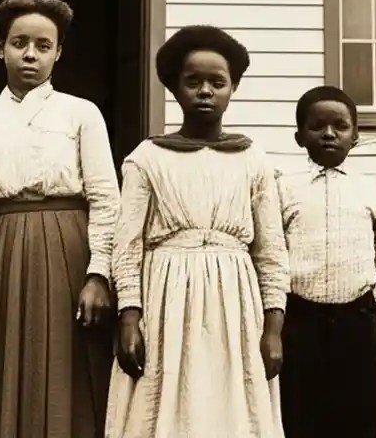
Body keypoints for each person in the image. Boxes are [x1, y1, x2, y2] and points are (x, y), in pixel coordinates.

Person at [0, 0, 119, 438]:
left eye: (43, 45)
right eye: (19, 43)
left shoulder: (81, 113)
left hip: (67, 249)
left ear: (58, 52)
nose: (30, 54)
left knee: (64, 363)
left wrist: (98, 273)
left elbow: (104, 197)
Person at [106, 25, 288, 438]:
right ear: (173, 87)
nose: (205, 91)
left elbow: (271, 250)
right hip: (167, 296)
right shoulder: (147, 158)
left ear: (233, 88)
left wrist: (273, 327)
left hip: (235, 299)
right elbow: (127, 247)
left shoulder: (252, 159)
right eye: (193, 82)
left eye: (217, 82)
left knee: (233, 405)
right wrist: (129, 318)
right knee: (168, 399)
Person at [276, 85, 376, 438]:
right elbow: (270, 263)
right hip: (299, 321)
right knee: (300, 416)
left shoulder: (373, 190)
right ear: (300, 136)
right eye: (317, 126)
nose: (329, 134)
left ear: (356, 135)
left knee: (359, 418)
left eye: (340, 126)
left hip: (359, 322)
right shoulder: (282, 188)